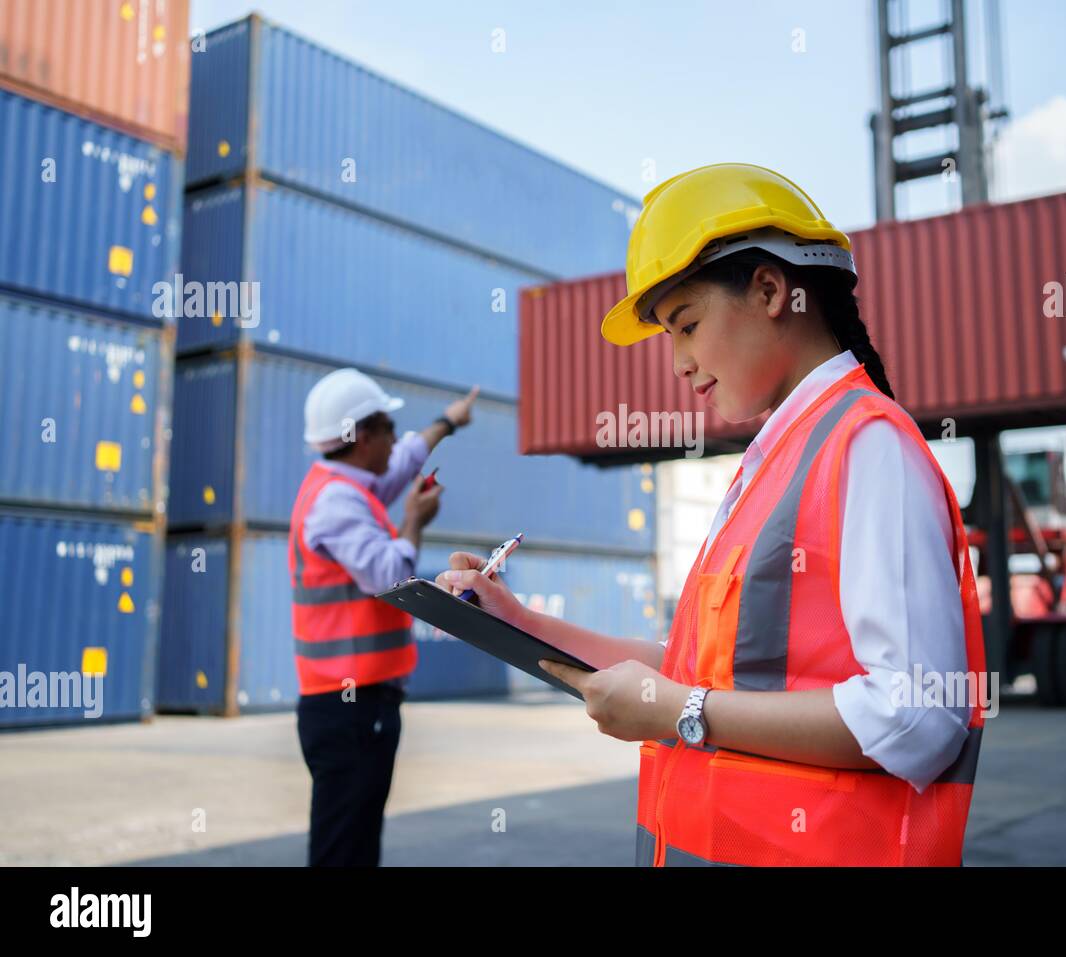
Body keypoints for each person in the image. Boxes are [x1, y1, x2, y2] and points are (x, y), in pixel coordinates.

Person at [434, 163, 986, 866]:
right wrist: (517, 621)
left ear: (768, 290)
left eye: (685, 325)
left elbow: (916, 717)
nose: (678, 362)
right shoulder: (775, 462)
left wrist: (682, 714)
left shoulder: (867, 446)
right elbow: (693, 676)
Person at [290, 367, 478, 866]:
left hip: (349, 705)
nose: (398, 441)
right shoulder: (338, 504)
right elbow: (389, 575)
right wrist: (414, 522)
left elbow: (405, 461)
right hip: (349, 708)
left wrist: (448, 421)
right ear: (363, 437)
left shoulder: (346, 484)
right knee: (344, 851)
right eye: (389, 431)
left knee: (354, 840)